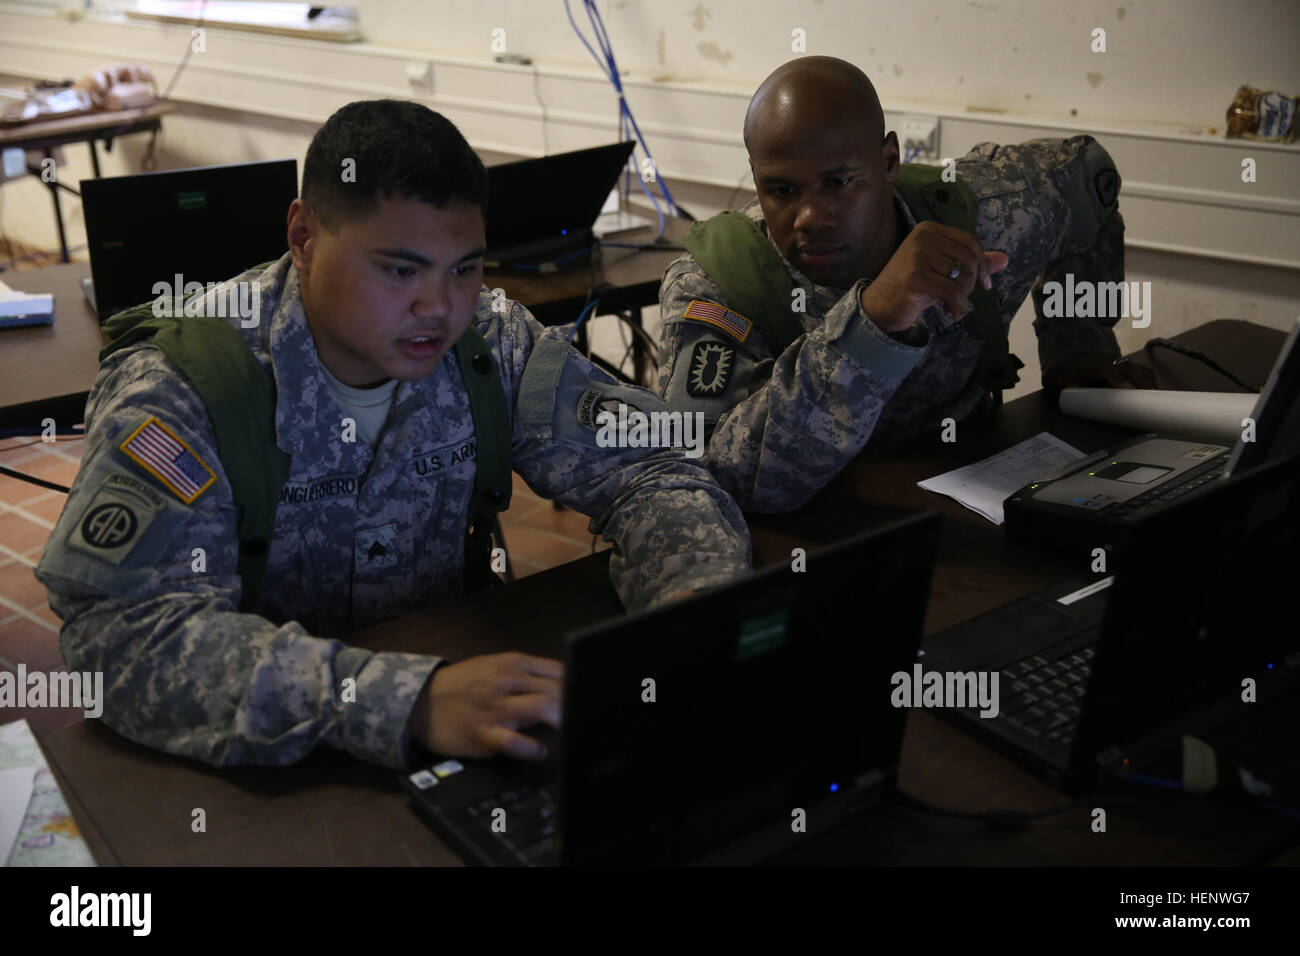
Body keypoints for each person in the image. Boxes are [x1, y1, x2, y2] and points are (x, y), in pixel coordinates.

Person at [35, 100, 752, 770]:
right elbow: (122, 637)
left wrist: (693, 606)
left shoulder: (489, 343)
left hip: (459, 732)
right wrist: (400, 701)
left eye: (464, 268)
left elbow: (655, 467)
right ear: (304, 237)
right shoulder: (188, 386)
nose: (438, 307)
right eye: (399, 269)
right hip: (269, 775)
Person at [657, 55, 1153, 513]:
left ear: (889, 161)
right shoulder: (717, 285)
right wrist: (871, 321)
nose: (809, 216)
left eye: (839, 182)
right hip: (819, 529)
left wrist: (1078, 343)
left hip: (972, 487)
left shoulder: (993, 210)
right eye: (782, 190)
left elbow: (1091, 178)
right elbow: (704, 477)